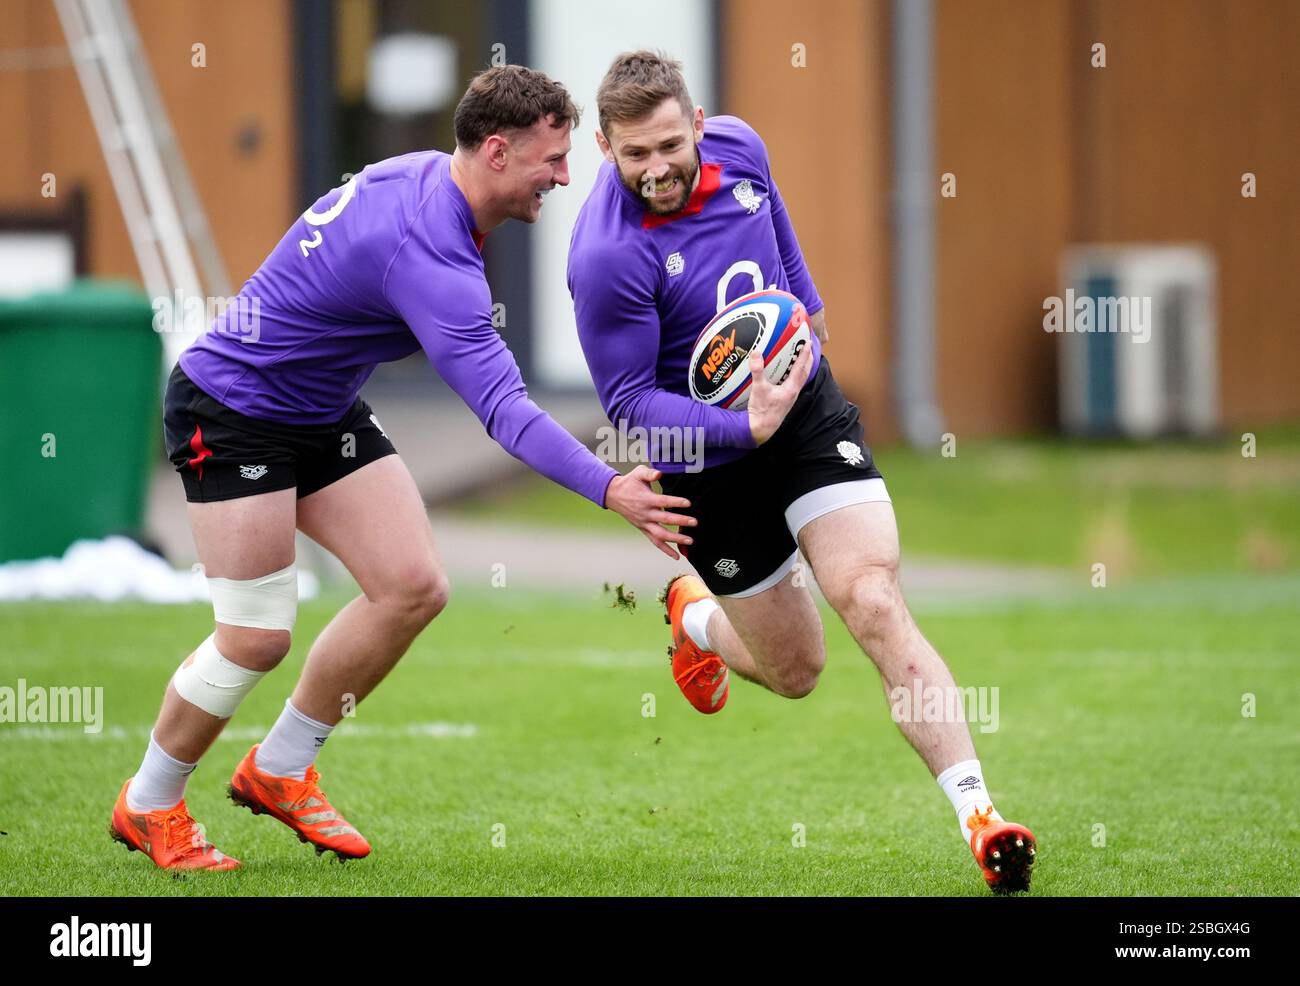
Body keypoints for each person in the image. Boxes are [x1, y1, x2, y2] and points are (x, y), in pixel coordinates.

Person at [109, 65, 698, 870]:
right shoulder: (433, 256)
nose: (564, 177)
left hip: (318, 409)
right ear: (496, 151)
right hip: (233, 409)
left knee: (413, 586)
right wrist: (609, 485)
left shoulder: (432, 177)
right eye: (552, 161)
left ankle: (279, 769)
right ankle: (148, 801)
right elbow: (506, 413)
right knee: (254, 634)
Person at [566, 50, 1037, 893]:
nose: (657, 169)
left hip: (804, 409)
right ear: (605, 148)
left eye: (670, 145)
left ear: (700, 124)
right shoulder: (604, 259)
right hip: (706, 462)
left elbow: (773, 220)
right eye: (634, 154)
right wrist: (740, 426)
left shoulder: (742, 147)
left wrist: (808, 313)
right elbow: (633, 406)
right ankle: (698, 619)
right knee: (796, 672)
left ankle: (980, 816)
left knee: (871, 596)